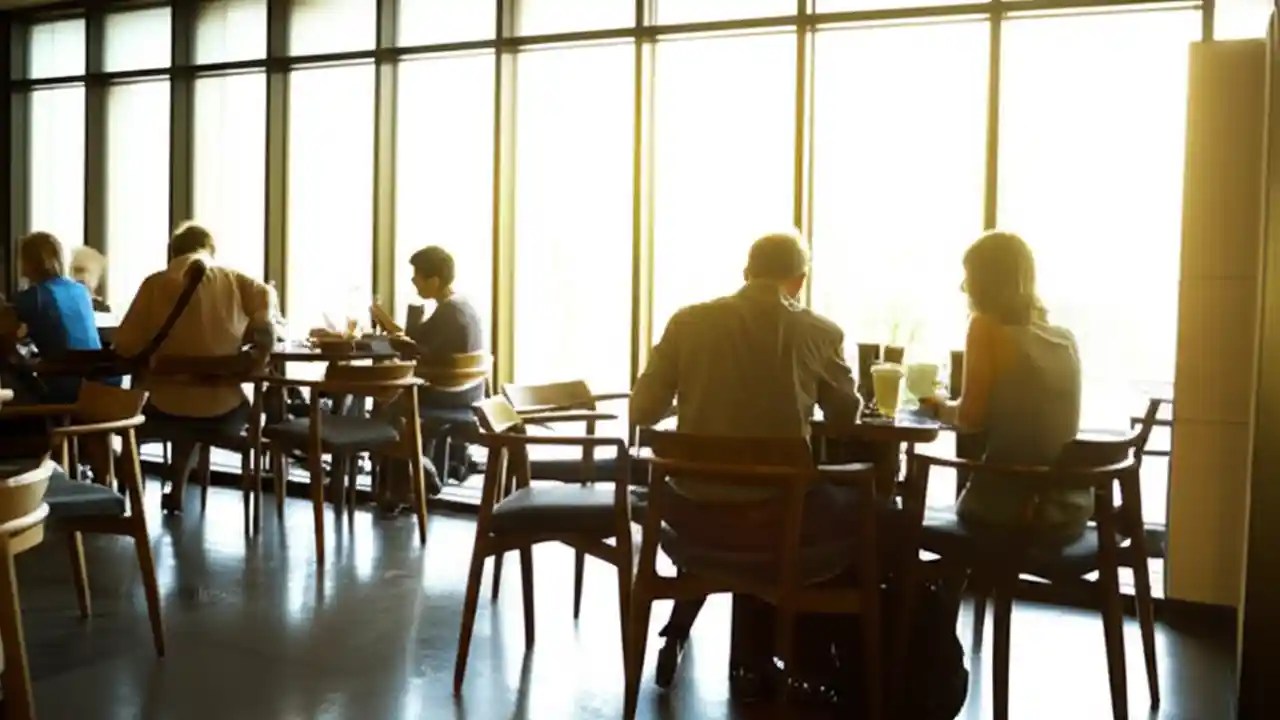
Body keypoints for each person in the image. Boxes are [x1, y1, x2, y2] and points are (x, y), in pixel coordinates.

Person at [629, 230, 862, 692]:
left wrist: (697, 400)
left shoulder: (687, 322)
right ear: (799, 281)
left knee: (762, 500)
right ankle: (812, 658)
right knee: (862, 508)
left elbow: (641, 412)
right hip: (778, 522)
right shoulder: (820, 332)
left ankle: (730, 641)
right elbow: (844, 419)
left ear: (745, 273)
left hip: (694, 515)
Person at [921, 231, 1086, 542]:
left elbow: (970, 419)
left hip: (1014, 509)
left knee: (897, 513)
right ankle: (974, 586)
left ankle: (931, 588)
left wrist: (937, 406)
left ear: (986, 282)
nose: (962, 286)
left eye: (968, 276)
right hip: (1067, 507)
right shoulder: (1064, 338)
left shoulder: (985, 327)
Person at [113, 222, 274, 514]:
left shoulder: (155, 284)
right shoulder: (238, 281)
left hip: (164, 409)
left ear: (173, 252)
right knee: (194, 420)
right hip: (223, 413)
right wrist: (255, 341)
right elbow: (266, 308)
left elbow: (125, 345)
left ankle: (131, 497)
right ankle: (176, 488)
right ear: (210, 249)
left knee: (174, 413)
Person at [387, 246, 486, 484]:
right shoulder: (463, 306)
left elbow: (423, 353)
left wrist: (400, 345)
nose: (414, 282)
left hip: (448, 394)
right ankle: (414, 470)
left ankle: (407, 479)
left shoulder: (448, 312)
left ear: (434, 279)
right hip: (471, 391)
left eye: (417, 276)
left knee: (388, 404)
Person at [1, 232, 110, 404]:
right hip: (97, 387)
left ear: (27, 262)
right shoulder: (81, 291)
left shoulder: (33, 296)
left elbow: (4, 331)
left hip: (65, 389)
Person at [69, 245, 111, 313]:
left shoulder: (102, 309)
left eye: (81, 270)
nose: (80, 276)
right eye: (76, 270)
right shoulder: (63, 304)